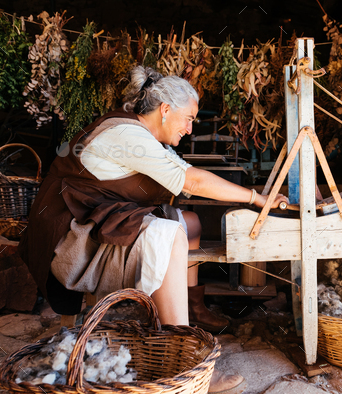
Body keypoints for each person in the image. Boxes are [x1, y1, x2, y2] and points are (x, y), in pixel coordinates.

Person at [18, 65, 287, 394]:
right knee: (170, 233)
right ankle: (186, 363)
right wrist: (258, 198)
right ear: (165, 110)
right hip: (71, 243)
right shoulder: (128, 135)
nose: (189, 129)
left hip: (90, 223)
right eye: (188, 119)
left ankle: (188, 308)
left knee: (188, 222)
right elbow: (193, 180)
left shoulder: (139, 134)